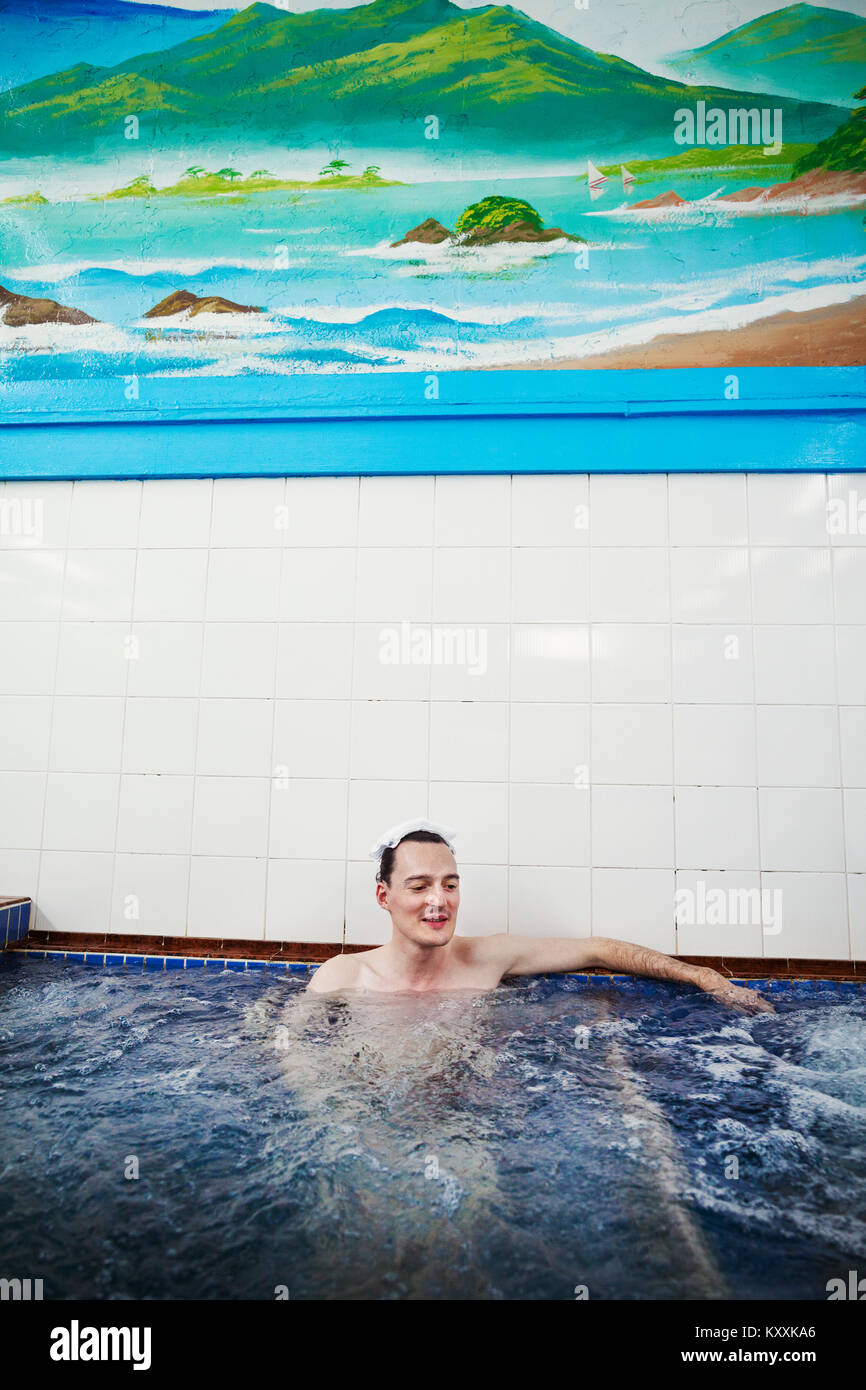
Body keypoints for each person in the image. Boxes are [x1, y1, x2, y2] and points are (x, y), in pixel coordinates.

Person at [307, 820, 774, 1011]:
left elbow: (599, 949)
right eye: (419, 885)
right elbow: (301, 1067)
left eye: (450, 884)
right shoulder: (343, 977)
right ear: (383, 896)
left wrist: (709, 979)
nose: (439, 900)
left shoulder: (487, 958)